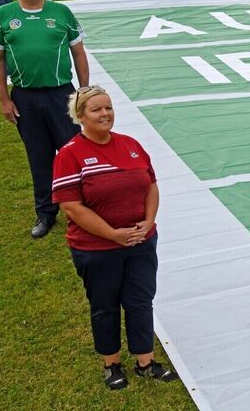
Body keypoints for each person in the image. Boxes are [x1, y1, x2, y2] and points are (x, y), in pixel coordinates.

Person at [53, 85, 180, 390]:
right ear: (80, 115)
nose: (105, 113)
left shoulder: (131, 145)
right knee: (104, 304)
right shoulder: (70, 154)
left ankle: (145, 362)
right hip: (96, 248)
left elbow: (150, 185)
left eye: (108, 107)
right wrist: (112, 234)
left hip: (140, 243)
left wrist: (148, 223)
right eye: (96, 109)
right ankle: (111, 364)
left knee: (140, 300)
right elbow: (71, 206)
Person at [0, 0, 88, 238]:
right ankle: (45, 212)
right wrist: (5, 100)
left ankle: (81, 208)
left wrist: (83, 91)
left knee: (72, 153)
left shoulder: (61, 12)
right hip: (25, 97)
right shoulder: (4, 14)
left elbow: (78, 53)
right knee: (39, 157)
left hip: (61, 94)